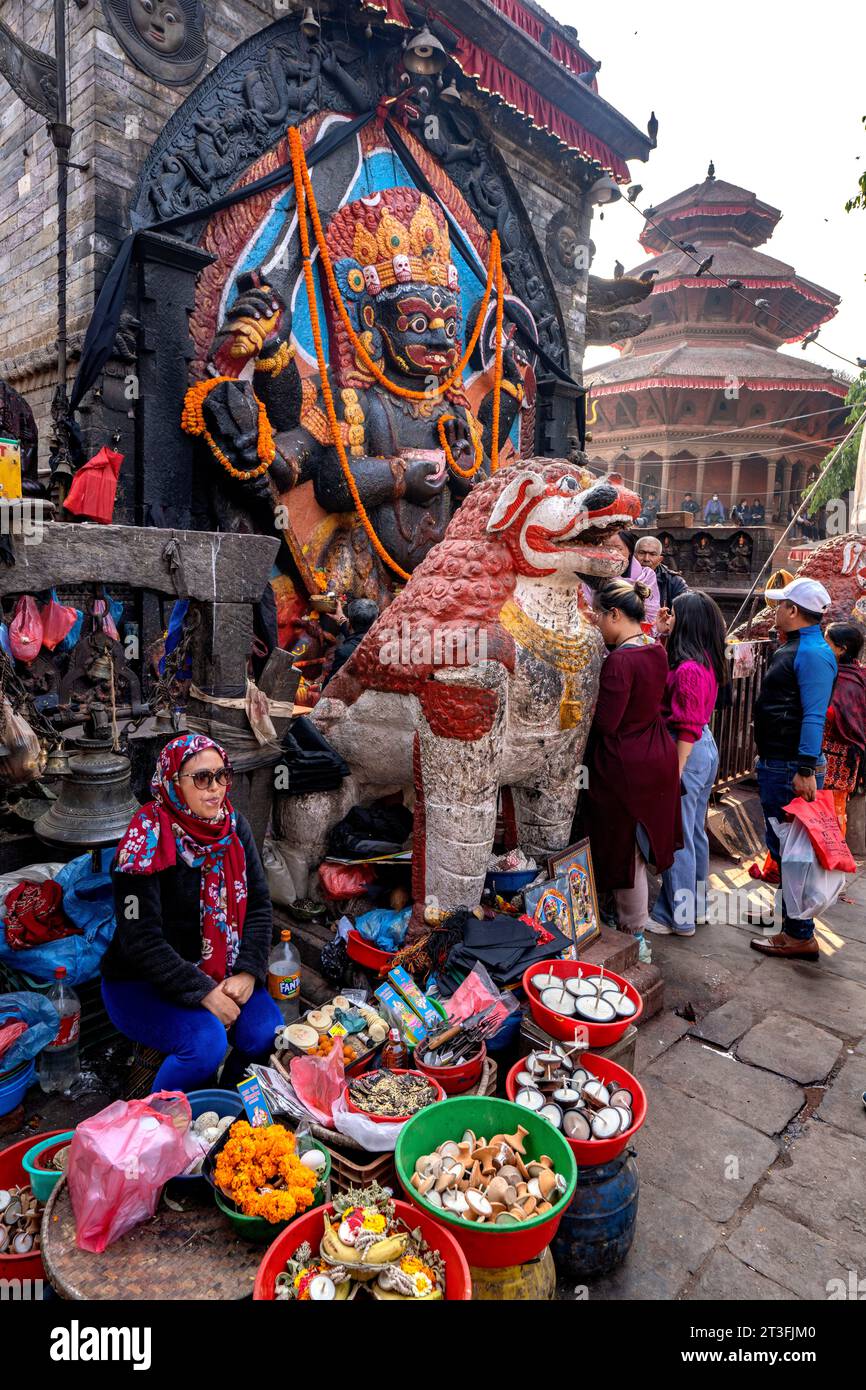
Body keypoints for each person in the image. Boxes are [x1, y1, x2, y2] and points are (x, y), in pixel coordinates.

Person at [102, 734, 281, 1090]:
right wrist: (204, 992)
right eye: (201, 778)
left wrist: (248, 972)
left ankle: (225, 1107)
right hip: (143, 981)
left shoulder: (232, 827)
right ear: (173, 783)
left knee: (266, 1034)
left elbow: (259, 906)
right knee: (205, 1044)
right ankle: (158, 1127)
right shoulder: (142, 844)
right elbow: (140, 940)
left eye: (221, 775)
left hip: (225, 970)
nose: (215, 789)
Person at [583, 579, 682, 964]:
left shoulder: (620, 661)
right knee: (639, 848)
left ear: (615, 615)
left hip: (626, 761)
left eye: (597, 616)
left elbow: (607, 723)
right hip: (656, 752)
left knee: (627, 852)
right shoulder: (654, 648)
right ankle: (630, 924)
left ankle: (633, 933)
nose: (595, 624)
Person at [750, 577, 836, 962]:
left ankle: (798, 933)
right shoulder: (801, 647)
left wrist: (804, 767)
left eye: (781, 605)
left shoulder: (813, 653)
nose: (776, 610)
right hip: (780, 762)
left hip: (789, 766)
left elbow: (814, 716)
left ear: (794, 611)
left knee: (793, 850)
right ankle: (790, 918)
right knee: (784, 846)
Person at [648, 593, 729, 937]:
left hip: (687, 749)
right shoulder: (703, 660)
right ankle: (694, 906)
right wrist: (661, 632)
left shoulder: (689, 670)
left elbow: (686, 727)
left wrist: (675, 771)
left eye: (675, 614)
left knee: (677, 837)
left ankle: (675, 916)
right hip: (700, 747)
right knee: (693, 830)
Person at [822, 622, 866, 838]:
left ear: (842, 649)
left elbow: (831, 715)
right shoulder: (858, 674)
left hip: (835, 759)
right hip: (845, 758)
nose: (822, 646)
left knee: (824, 814)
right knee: (833, 813)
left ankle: (823, 866)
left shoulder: (842, 680)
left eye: (827, 642)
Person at [608, 530, 660, 631]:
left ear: (630, 550)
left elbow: (651, 615)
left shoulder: (646, 575)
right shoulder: (594, 577)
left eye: (618, 549)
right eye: (607, 548)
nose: (612, 553)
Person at [325, 597, 379, 683]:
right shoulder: (383, 641)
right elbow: (359, 637)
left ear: (349, 623)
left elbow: (331, 685)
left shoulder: (344, 653)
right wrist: (341, 621)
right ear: (376, 621)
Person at [634, 534, 689, 614]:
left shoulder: (674, 582)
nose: (646, 559)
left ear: (660, 559)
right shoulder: (622, 577)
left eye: (652, 554)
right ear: (634, 555)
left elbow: (685, 611)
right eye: (642, 553)